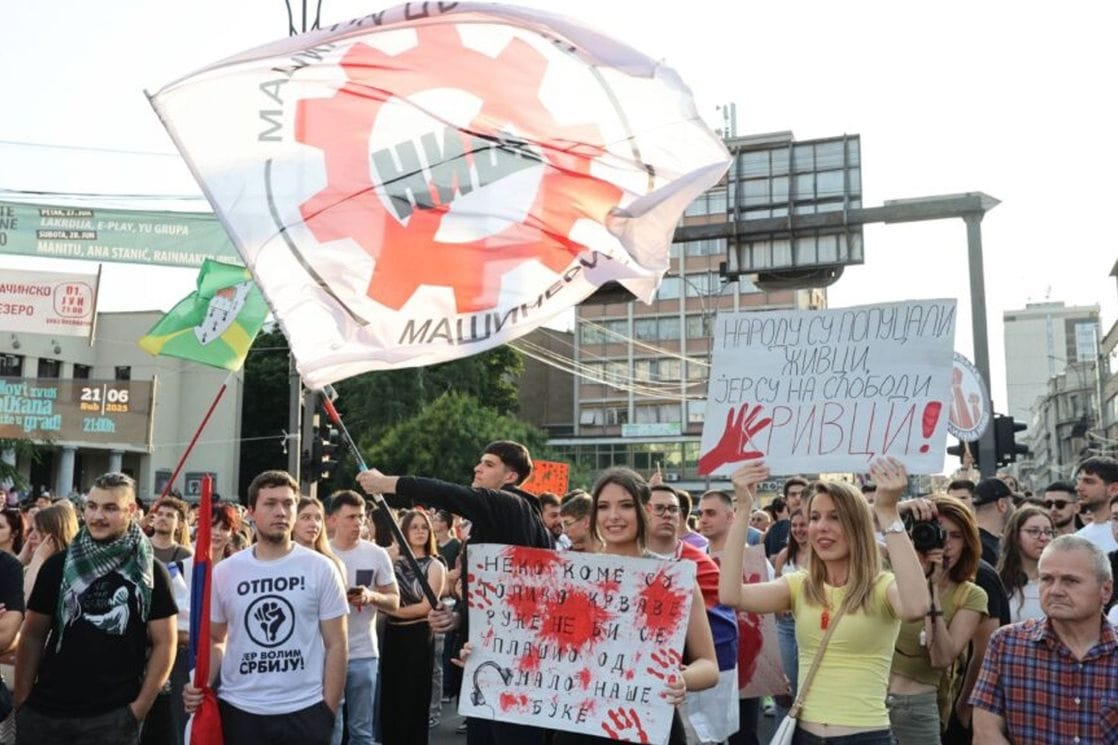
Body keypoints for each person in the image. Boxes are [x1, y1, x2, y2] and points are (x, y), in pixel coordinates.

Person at [356, 441, 553, 745]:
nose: (477, 468)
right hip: (485, 659)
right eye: (479, 462)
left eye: (488, 464)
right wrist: (459, 618)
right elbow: (496, 594)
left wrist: (387, 484)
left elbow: (448, 493)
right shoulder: (500, 518)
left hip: (513, 665)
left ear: (510, 476)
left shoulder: (509, 504)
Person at [719, 458, 928, 745]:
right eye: (815, 517)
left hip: (867, 737)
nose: (821, 527)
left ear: (857, 525)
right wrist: (743, 506)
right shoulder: (799, 585)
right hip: (805, 736)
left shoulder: (881, 586)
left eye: (835, 517)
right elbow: (731, 595)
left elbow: (917, 607)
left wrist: (888, 512)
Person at [552, 467, 717, 745]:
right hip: (580, 723)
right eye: (603, 507)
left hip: (650, 722)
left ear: (646, 509)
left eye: (625, 505)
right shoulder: (572, 575)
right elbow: (542, 650)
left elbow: (709, 665)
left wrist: (681, 678)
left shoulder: (674, 578)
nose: (613, 516)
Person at [183, 471, 347, 745]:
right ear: (251, 512)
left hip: (305, 711)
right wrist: (200, 683)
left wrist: (327, 710)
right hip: (240, 711)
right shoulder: (226, 572)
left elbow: (337, 644)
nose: (281, 512)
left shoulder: (321, 568)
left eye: (288, 503)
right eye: (270, 504)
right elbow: (214, 638)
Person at [13, 472, 177, 744]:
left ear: (132, 511)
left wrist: (138, 709)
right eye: (92, 506)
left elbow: (165, 643)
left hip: (113, 717)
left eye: (110, 508)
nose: (97, 516)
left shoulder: (150, 571)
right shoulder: (58, 566)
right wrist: (23, 698)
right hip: (45, 714)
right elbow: (32, 635)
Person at [971, 535, 1117, 743]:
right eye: (1047, 579)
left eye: (1070, 580)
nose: (1055, 590)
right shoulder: (1007, 644)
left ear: (1106, 590)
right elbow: (985, 731)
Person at [644, 484, 743, 745]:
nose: (667, 514)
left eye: (673, 509)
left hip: (698, 677)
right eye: (659, 508)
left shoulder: (697, 562)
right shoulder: (628, 559)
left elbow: (725, 622)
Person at [886, 496, 988, 743]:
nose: (946, 544)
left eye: (955, 536)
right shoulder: (887, 576)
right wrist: (896, 509)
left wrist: (931, 586)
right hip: (868, 701)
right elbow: (850, 522)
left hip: (917, 708)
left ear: (968, 542)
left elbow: (941, 657)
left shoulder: (971, 595)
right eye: (937, 532)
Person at [696, 488, 773, 745]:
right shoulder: (693, 559)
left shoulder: (755, 561)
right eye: (700, 513)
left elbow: (770, 618)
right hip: (707, 665)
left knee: (743, 736)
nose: (703, 519)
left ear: (731, 517)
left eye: (711, 513)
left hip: (748, 665)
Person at [326, 490, 399, 745]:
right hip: (326, 654)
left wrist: (370, 596)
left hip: (364, 652)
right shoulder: (321, 555)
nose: (358, 524)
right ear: (333, 520)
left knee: (362, 730)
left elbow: (394, 601)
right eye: (350, 518)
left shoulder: (376, 554)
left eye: (361, 517)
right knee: (330, 726)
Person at [381, 510, 445, 745]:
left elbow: (425, 607)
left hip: (418, 637)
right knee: (391, 701)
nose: (420, 531)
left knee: (415, 701)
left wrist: (387, 608)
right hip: (391, 635)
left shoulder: (435, 565)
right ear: (403, 531)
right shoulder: (390, 562)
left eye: (424, 527)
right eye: (414, 527)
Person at [770, 509, 807, 719]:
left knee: (806, 684)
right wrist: (778, 606)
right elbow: (775, 584)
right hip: (785, 627)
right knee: (786, 685)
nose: (798, 530)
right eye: (794, 526)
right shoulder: (785, 555)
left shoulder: (821, 555)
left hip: (810, 626)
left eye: (803, 525)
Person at [996, 505, 1054, 622]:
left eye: (1048, 532)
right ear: (1016, 536)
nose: (1043, 538)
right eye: (1033, 531)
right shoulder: (999, 583)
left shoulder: (1058, 583)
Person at [22, 504, 79, 602]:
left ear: (55, 535)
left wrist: (38, 559)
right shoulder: (29, 567)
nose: (31, 537)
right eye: (32, 529)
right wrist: (20, 559)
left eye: (39, 530)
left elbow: (25, 601)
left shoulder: (69, 570)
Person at [1073, 455, 1118, 552]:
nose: (1078, 488)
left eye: (1088, 481)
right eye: (1079, 480)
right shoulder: (1078, 539)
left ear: (1113, 489)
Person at [972, 478, 1014, 566]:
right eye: (1011, 502)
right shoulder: (984, 550)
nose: (1014, 507)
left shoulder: (970, 540)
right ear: (1002, 505)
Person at [763, 477, 808, 558]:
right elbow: (770, 560)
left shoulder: (817, 526)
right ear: (786, 500)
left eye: (802, 494)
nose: (798, 498)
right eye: (793, 494)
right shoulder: (776, 529)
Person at [148, 497, 193, 566]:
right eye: (160, 514)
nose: (163, 518)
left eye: (169, 516)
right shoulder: (139, 547)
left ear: (179, 524)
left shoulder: (185, 555)